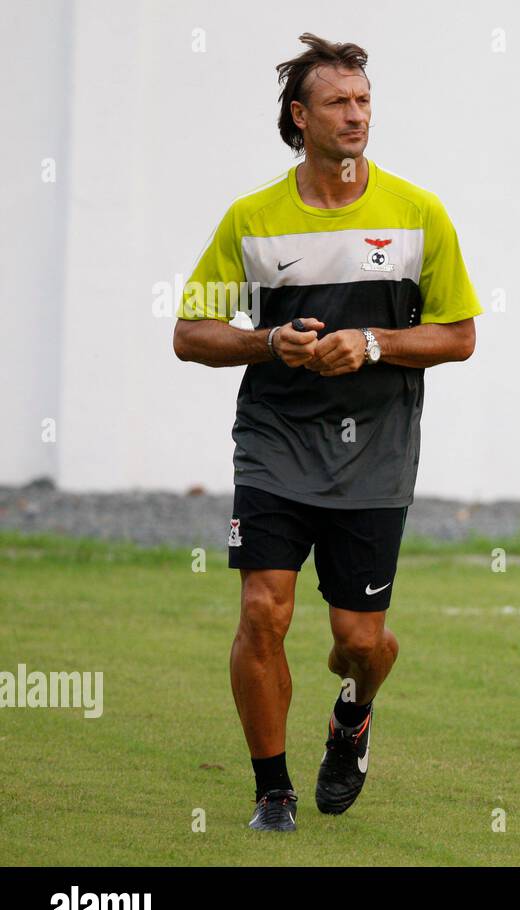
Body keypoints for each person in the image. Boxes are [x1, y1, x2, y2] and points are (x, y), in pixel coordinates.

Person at [173, 34, 481, 830]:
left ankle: (352, 717)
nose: (356, 114)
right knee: (263, 612)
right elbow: (190, 334)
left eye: (364, 100)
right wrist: (266, 342)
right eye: (339, 101)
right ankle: (271, 789)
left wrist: (374, 343)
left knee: (361, 642)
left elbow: (458, 335)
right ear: (299, 116)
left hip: (375, 454)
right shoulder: (252, 219)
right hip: (275, 442)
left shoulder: (419, 214)